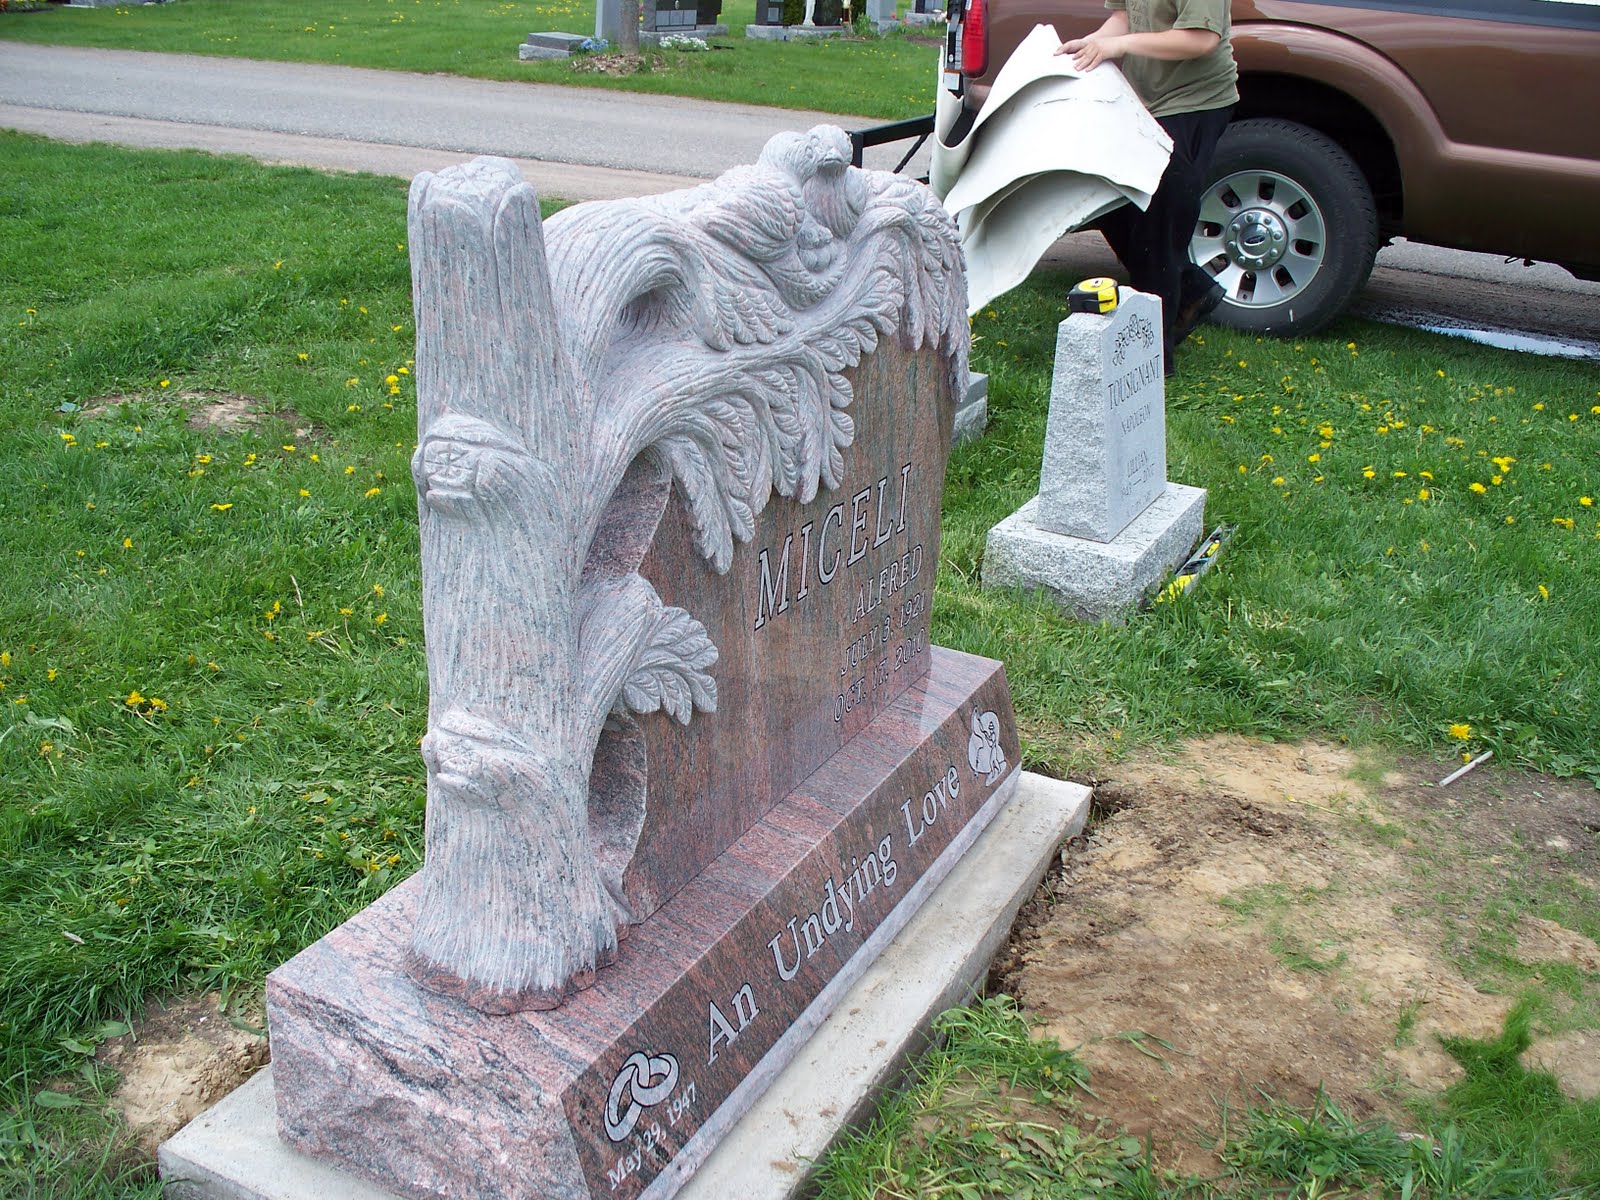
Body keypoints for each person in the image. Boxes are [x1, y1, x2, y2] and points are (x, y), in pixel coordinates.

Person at [1054, 0, 1237, 371]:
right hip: (1143, 99)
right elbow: (1124, 16)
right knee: (1112, 201)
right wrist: (1092, 43)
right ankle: (1191, 293)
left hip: (1194, 102)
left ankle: (1151, 361)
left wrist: (1118, 47)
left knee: (1159, 226)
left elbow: (1201, 39)